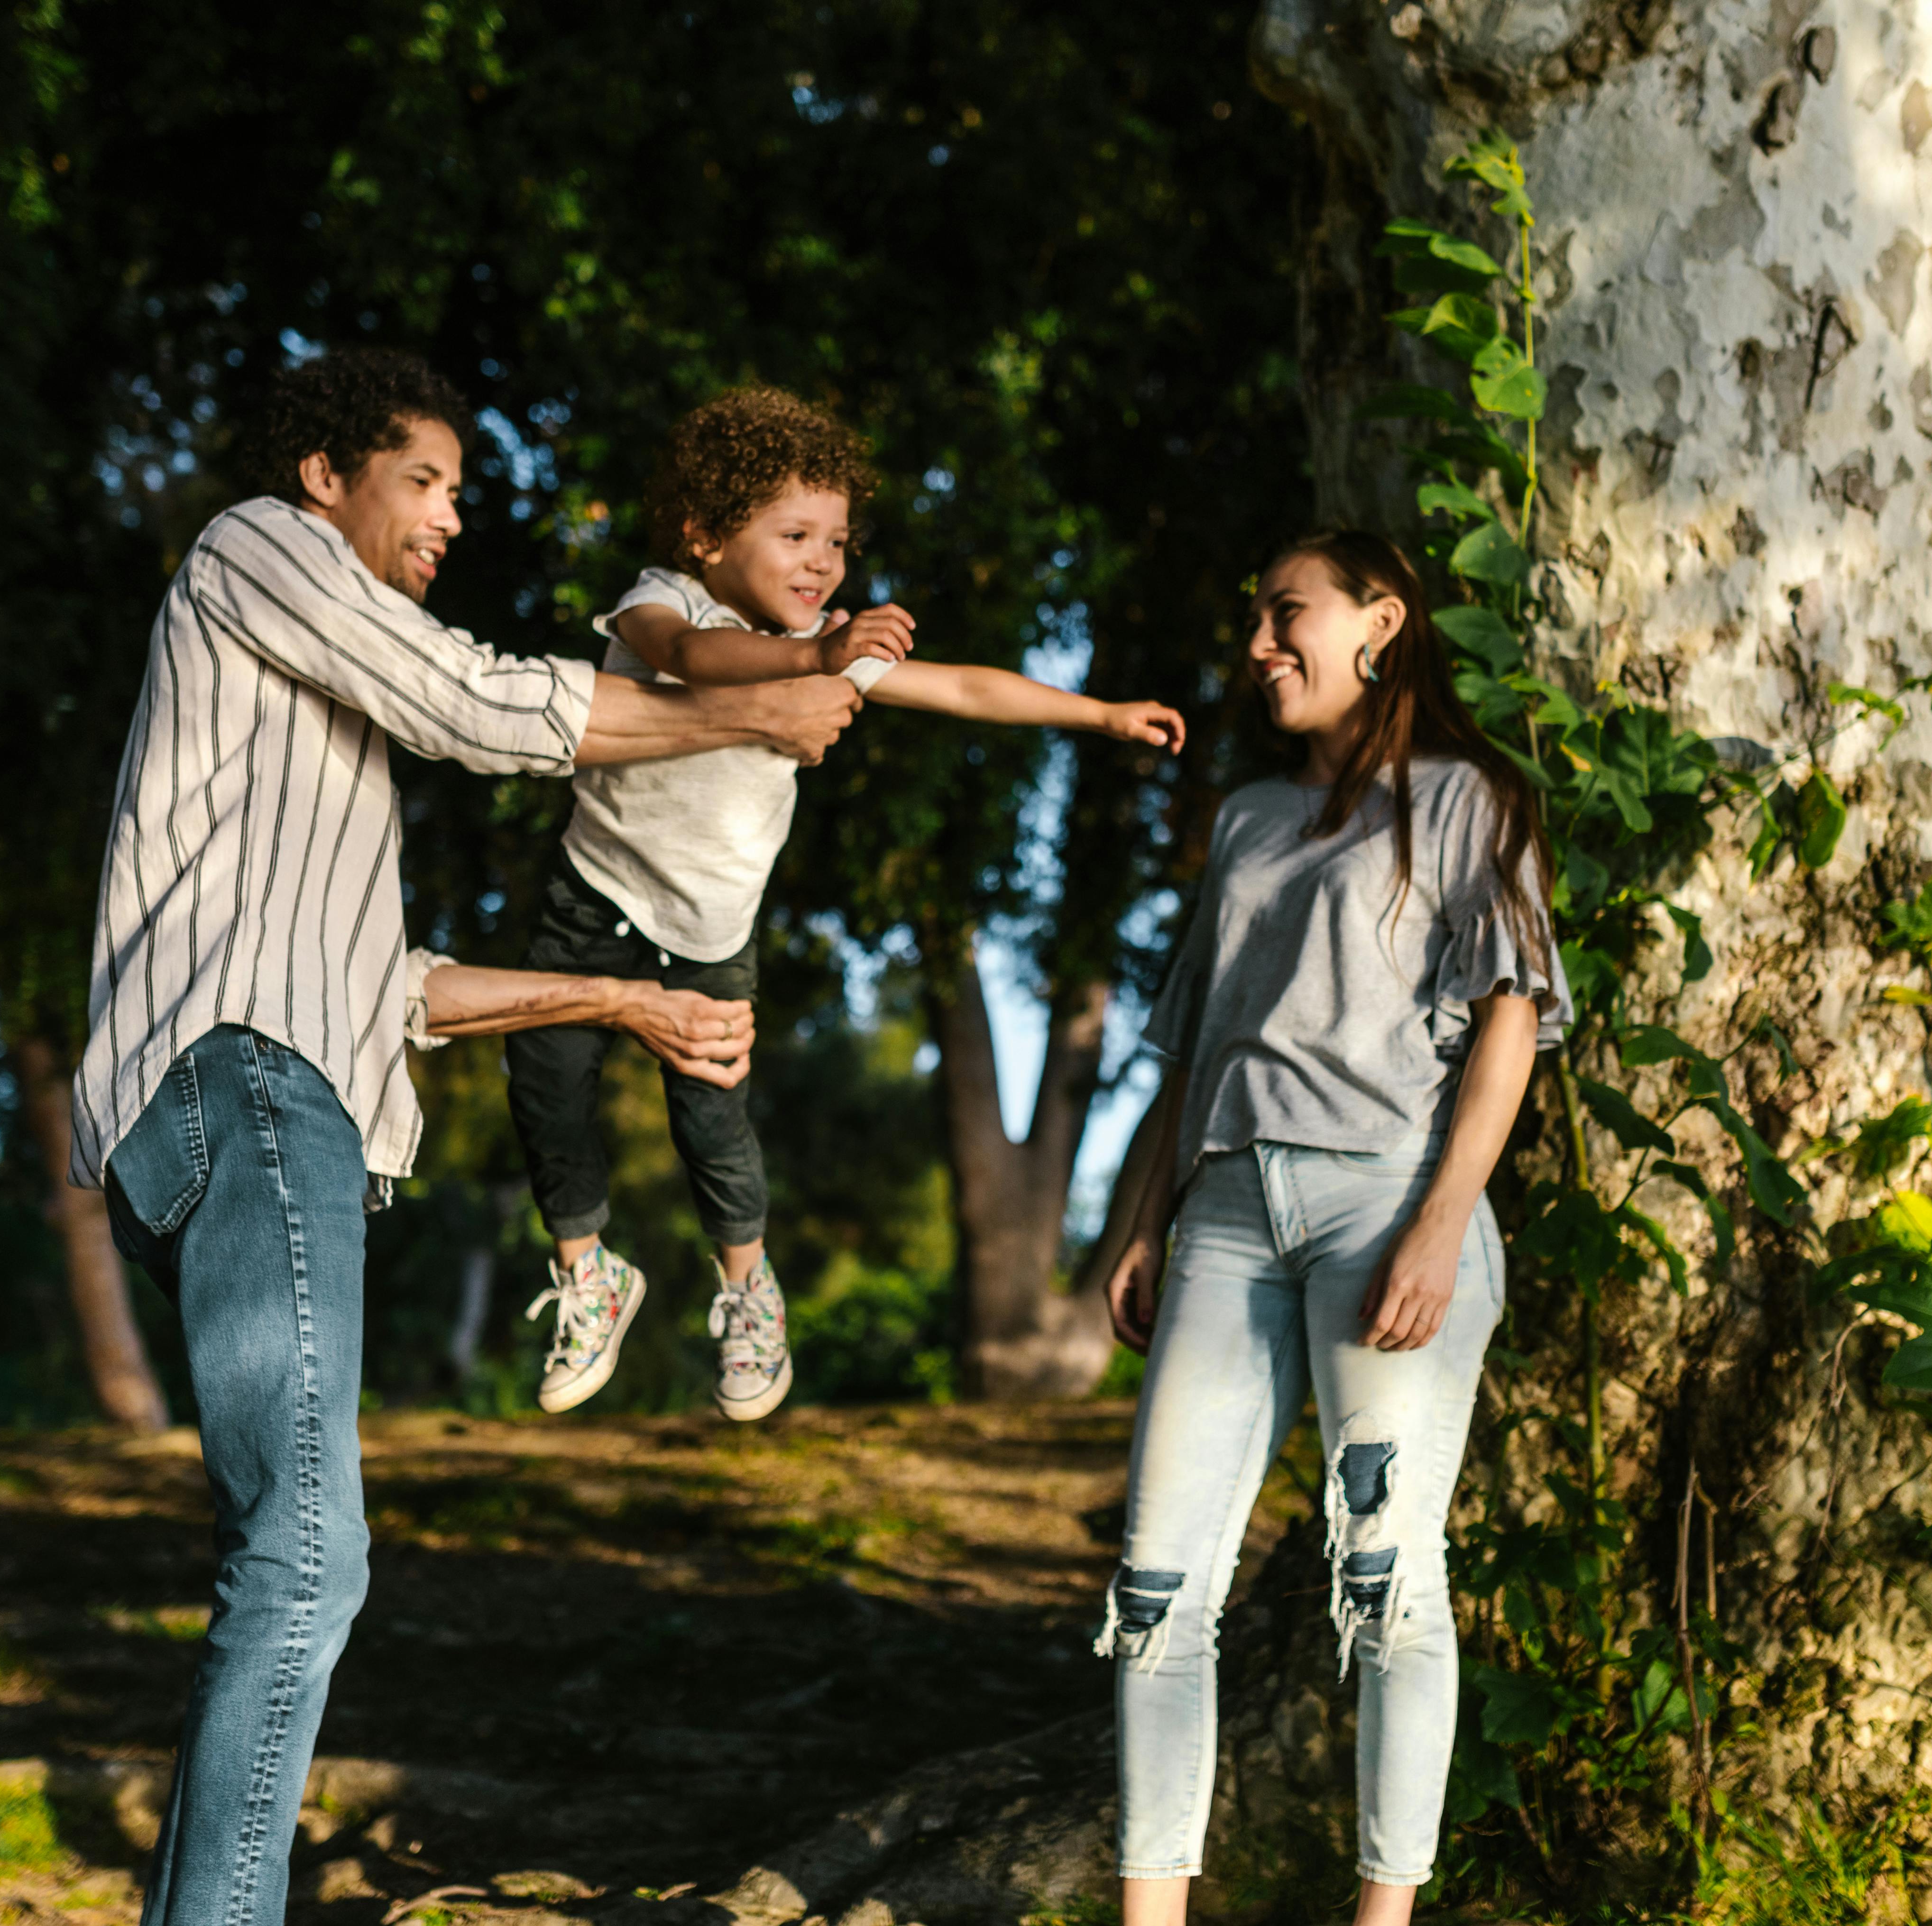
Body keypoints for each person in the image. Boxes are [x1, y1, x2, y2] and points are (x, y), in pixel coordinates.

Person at [65, 348, 863, 1926]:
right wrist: (749, 706)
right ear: (324, 477)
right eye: (421, 479)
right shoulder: (256, 547)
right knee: (304, 1563)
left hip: (229, 1115)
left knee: (294, 1560)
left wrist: (625, 1005)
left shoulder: (306, 718)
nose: (448, 517)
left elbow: (394, 986)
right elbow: (472, 699)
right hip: (248, 1088)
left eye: (455, 492)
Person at [506, 386, 1186, 1421]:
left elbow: (961, 688)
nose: (824, 562)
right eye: (793, 534)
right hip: (591, 896)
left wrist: (1096, 712)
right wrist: (819, 655)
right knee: (546, 1081)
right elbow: (691, 662)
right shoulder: (663, 600)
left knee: (710, 1119)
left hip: (708, 931)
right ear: (703, 534)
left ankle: (748, 1294)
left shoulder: (827, 640)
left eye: (836, 540)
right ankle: (589, 1271)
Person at [1083, 531, 1571, 1926]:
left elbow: (1507, 1026)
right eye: (1252, 619)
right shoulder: (1244, 819)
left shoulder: (1466, 798)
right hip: (1226, 1212)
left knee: (1386, 1581)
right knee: (1155, 1581)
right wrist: (1140, 1217)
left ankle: (1380, 1916)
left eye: (1282, 613)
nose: (1257, 645)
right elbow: (1196, 1047)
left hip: (1387, 1200)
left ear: (1379, 621)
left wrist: (1439, 1223)